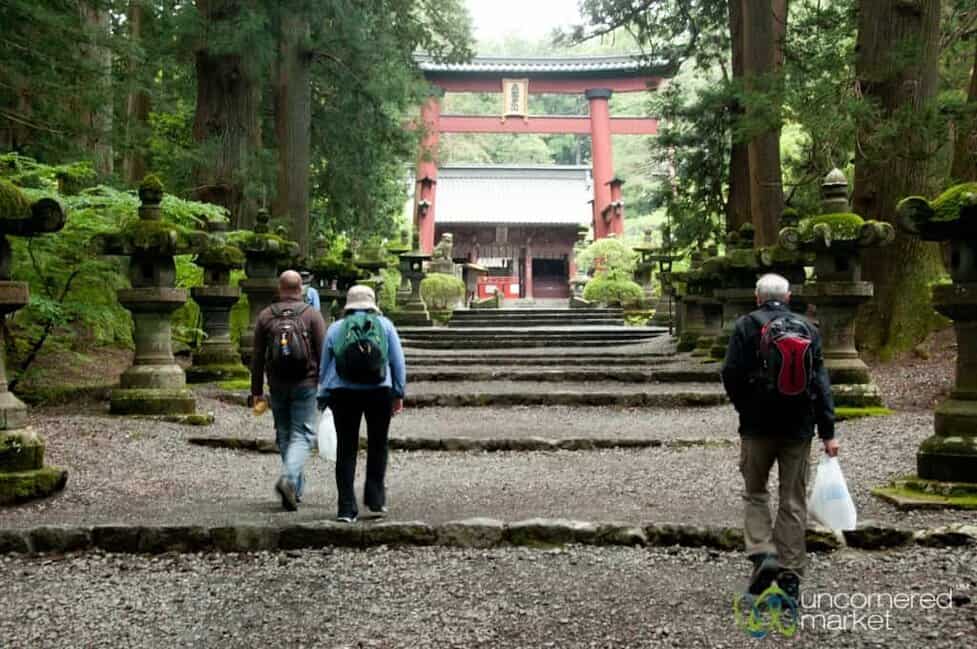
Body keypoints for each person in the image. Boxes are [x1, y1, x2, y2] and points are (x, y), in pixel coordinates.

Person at [721, 273, 838, 603]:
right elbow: (820, 383)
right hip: (799, 428)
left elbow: (730, 373)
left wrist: (745, 407)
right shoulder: (808, 328)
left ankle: (762, 553)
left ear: (757, 297)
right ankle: (790, 573)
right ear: (788, 298)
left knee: (755, 492)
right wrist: (828, 432)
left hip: (757, 426)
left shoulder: (746, 325)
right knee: (792, 500)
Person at [318, 285, 406, 523]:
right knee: (378, 444)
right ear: (372, 303)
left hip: (342, 392)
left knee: (346, 447)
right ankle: (375, 499)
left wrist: (323, 393)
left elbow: (325, 364)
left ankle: (346, 508)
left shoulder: (336, 328)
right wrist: (398, 392)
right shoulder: (385, 325)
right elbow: (398, 361)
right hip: (380, 391)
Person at [251, 270, 327, 511]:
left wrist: (256, 391)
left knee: (284, 434)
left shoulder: (265, 316)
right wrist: (326, 387)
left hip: (277, 384)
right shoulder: (312, 315)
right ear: (300, 289)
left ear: (279, 288)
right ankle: (289, 479)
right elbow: (323, 353)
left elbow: (257, 358)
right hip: (306, 383)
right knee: (303, 435)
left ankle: (294, 487)